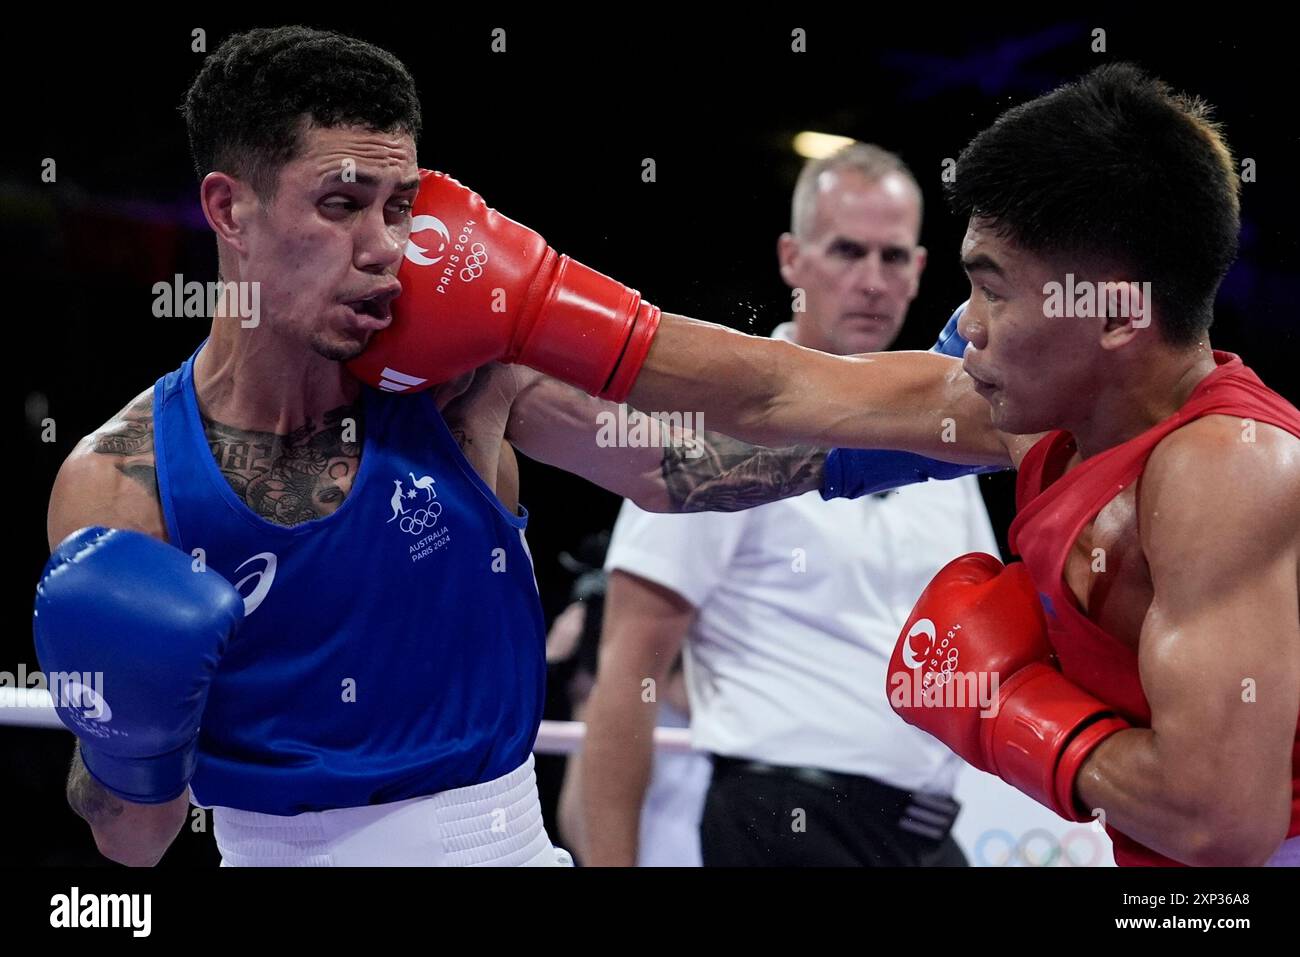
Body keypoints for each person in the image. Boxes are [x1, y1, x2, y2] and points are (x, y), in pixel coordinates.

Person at [37, 26, 951, 867]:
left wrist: (951, 424)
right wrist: (128, 746)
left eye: (399, 207)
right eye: (343, 203)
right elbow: (134, 841)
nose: (385, 247)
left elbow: (683, 462)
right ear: (229, 210)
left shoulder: (457, 378)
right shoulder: (122, 483)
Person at [350, 64, 1300, 866]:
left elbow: (1223, 817)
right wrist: (529, 328)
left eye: (993, 288)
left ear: (1119, 315)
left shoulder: (1229, 470)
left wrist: (1013, 707)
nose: (964, 323)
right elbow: (770, 398)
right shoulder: (1039, 420)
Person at [576, 145, 997, 866]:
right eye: (846, 251)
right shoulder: (716, 428)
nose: (871, 281)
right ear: (792, 258)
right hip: (782, 824)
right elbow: (628, 669)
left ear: (922, 270)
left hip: (926, 832)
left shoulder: (946, 429)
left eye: (893, 257)